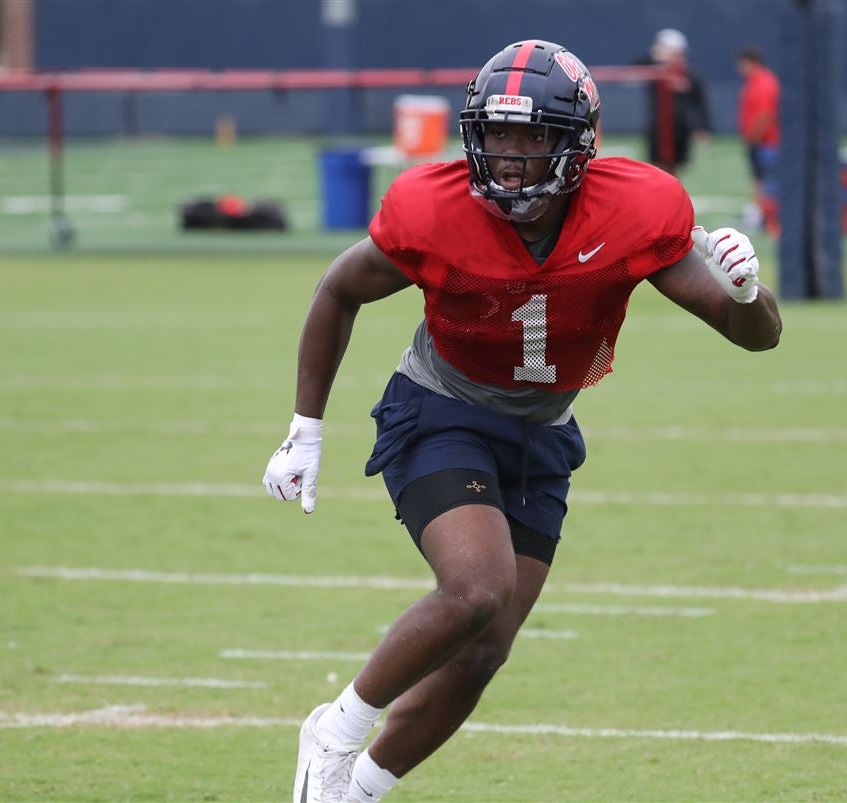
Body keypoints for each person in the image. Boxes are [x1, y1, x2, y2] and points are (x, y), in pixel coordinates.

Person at [263, 39, 782, 803]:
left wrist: (747, 294)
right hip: (441, 410)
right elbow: (338, 288)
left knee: (484, 648)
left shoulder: (636, 208)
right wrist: (305, 426)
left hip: (542, 430)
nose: (507, 157)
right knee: (476, 589)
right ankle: (336, 728)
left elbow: (754, 336)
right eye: (496, 134)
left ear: (576, 144)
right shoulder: (433, 206)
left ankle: (357, 790)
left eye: (530, 137)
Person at [639, 28, 712, 176]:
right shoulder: (654, 70)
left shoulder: (689, 75)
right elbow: (634, 68)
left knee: (675, 169)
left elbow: (700, 103)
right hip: (658, 128)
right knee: (656, 168)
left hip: (679, 129)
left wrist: (702, 127)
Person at [736, 46, 781, 233]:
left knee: (769, 181)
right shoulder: (754, 82)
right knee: (760, 180)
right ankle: (763, 217)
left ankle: (772, 221)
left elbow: (764, 115)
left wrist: (753, 137)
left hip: (766, 142)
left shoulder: (763, 82)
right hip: (759, 142)